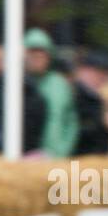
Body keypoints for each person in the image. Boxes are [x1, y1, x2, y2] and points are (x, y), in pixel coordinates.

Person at [24, 27, 78, 157]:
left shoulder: (59, 84)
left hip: (56, 156)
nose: (37, 59)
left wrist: (63, 150)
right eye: (33, 55)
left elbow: (71, 120)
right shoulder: (13, 84)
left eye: (42, 56)